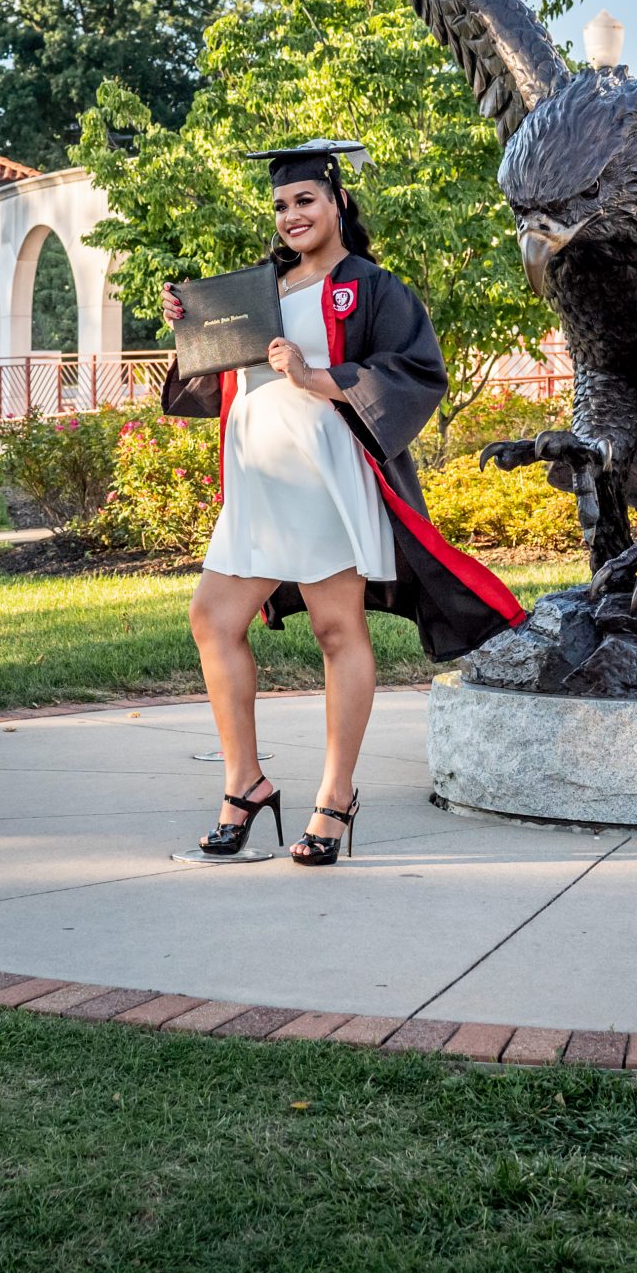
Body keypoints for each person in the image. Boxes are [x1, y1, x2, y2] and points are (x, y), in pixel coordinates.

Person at [161, 141, 522, 866]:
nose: (291, 215)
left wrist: (314, 375)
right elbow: (211, 374)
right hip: (257, 482)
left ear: (338, 203)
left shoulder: (372, 287)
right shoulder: (259, 287)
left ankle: (335, 796)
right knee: (213, 620)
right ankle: (246, 784)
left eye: (305, 200)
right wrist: (190, 326)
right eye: (281, 205)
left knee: (336, 628)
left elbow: (416, 373)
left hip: (322, 478)